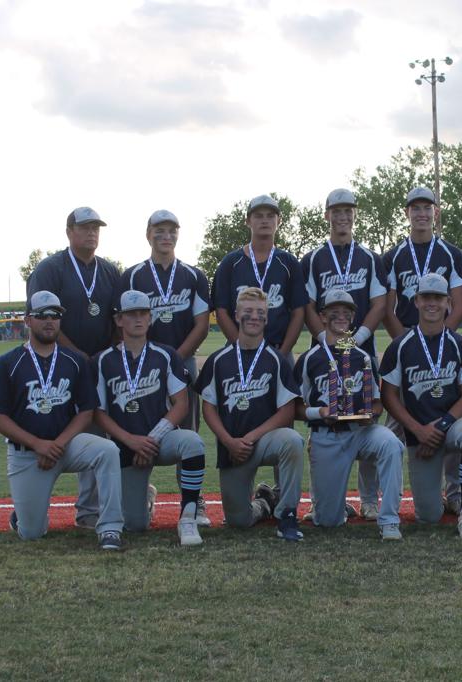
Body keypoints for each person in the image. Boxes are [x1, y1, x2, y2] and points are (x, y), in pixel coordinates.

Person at [0, 291, 124, 549]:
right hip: (27, 453)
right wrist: (38, 444)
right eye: (41, 315)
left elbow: (86, 412)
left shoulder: (74, 361)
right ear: (27, 320)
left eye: (55, 315)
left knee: (107, 450)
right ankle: (25, 513)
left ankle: (110, 528)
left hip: (68, 446)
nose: (49, 321)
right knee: (31, 533)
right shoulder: (7, 364)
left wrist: (57, 443)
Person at [27, 207, 122, 529]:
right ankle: (29, 504)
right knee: (51, 430)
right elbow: (44, 319)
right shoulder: (51, 269)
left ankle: (89, 510)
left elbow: (116, 318)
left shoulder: (109, 271)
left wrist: (106, 355)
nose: (91, 233)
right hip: (57, 366)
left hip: (98, 365)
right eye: (85, 227)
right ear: (69, 231)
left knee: (96, 432)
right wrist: (77, 354)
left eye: (96, 227)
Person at [117, 209, 212, 527]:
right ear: (148, 234)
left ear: (178, 235)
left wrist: (172, 361)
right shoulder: (132, 276)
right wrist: (154, 364)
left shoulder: (193, 275)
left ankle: (193, 500)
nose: (165, 235)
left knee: (187, 433)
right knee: (138, 424)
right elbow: (124, 322)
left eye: (171, 230)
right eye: (159, 229)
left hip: (181, 363)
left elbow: (201, 324)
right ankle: (141, 492)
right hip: (140, 368)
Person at [301, 188, 389, 521]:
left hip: (361, 348)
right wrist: (325, 338)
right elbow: (307, 304)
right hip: (324, 350)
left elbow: (380, 302)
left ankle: (368, 499)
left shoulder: (368, 257)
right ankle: (319, 499)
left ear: (354, 215)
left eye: (348, 210)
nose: (342, 216)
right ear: (327, 216)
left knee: (365, 418)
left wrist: (359, 336)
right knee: (321, 421)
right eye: (336, 211)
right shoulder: (312, 258)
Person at [94, 291, 208, 545]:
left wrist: (151, 439)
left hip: (161, 439)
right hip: (124, 446)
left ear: (150, 317)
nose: (138, 319)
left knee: (192, 442)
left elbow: (182, 404)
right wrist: (131, 441)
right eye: (131, 314)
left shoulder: (166, 355)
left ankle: (188, 516)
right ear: (119, 320)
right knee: (135, 525)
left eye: (143, 313)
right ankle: (146, 496)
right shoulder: (103, 360)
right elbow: (98, 413)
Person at [196, 287, 306, 541]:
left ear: (267, 318)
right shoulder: (218, 359)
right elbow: (208, 407)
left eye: (260, 312)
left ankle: (287, 514)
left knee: (292, 441)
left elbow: (287, 410)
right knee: (238, 521)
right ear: (236, 315)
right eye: (247, 311)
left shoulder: (276, 359)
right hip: (232, 446)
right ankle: (265, 503)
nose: (254, 317)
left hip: (264, 440)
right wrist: (229, 442)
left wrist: (251, 438)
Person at [380, 273, 462, 539]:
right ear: (415, 301)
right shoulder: (400, 345)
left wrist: (439, 427)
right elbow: (389, 396)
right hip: (418, 434)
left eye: (438, 298)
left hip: (450, 426)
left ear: (448, 302)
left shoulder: (459, 344)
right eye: (426, 297)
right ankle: (438, 500)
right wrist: (417, 429)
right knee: (428, 517)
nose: (432, 303)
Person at [294, 289, 404, 540]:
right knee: (328, 522)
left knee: (391, 444)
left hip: (362, 432)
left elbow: (377, 403)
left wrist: (370, 415)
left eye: (347, 312)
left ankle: (389, 520)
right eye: (334, 311)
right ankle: (334, 505)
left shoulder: (362, 356)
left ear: (353, 317)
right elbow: (294, 408)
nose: (341, 316)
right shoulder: (310, 359)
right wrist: (319, 412)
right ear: (322, 316)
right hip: (327, 434)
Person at [212, 195, 308, 360]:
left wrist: (282, 354)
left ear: (279, 221)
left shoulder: (289, 263)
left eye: (270, 216)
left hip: (280, 350)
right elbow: (221, 311)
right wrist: (240, 348)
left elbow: (299, 312)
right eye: (258, 215)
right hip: (238, 352)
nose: (265, 220)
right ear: (248, 221)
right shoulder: (231, 262)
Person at [382, 186, 462, 337]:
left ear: (435, 212)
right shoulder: (392, 257)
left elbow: (459, 308)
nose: (422, 214)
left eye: (427, 208)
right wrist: (405, 343)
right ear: (406, 213)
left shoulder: (453, 255)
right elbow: (387, 311)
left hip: (443, 334)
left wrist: (442, 339)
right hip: (406, 332)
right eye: (415, 209)